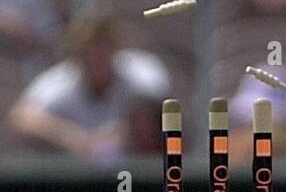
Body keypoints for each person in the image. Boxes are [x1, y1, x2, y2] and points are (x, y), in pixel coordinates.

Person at [8, 13, 171, 158]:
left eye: (103, 45)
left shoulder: (141, 71)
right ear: (78, 52)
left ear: (115, 47)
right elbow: (21, 117)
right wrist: (74, 137)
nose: (97, 54)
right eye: (90, 48)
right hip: (78, 175)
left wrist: (115, 134)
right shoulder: (65, 77)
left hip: (136, 172)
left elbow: (165, 115)